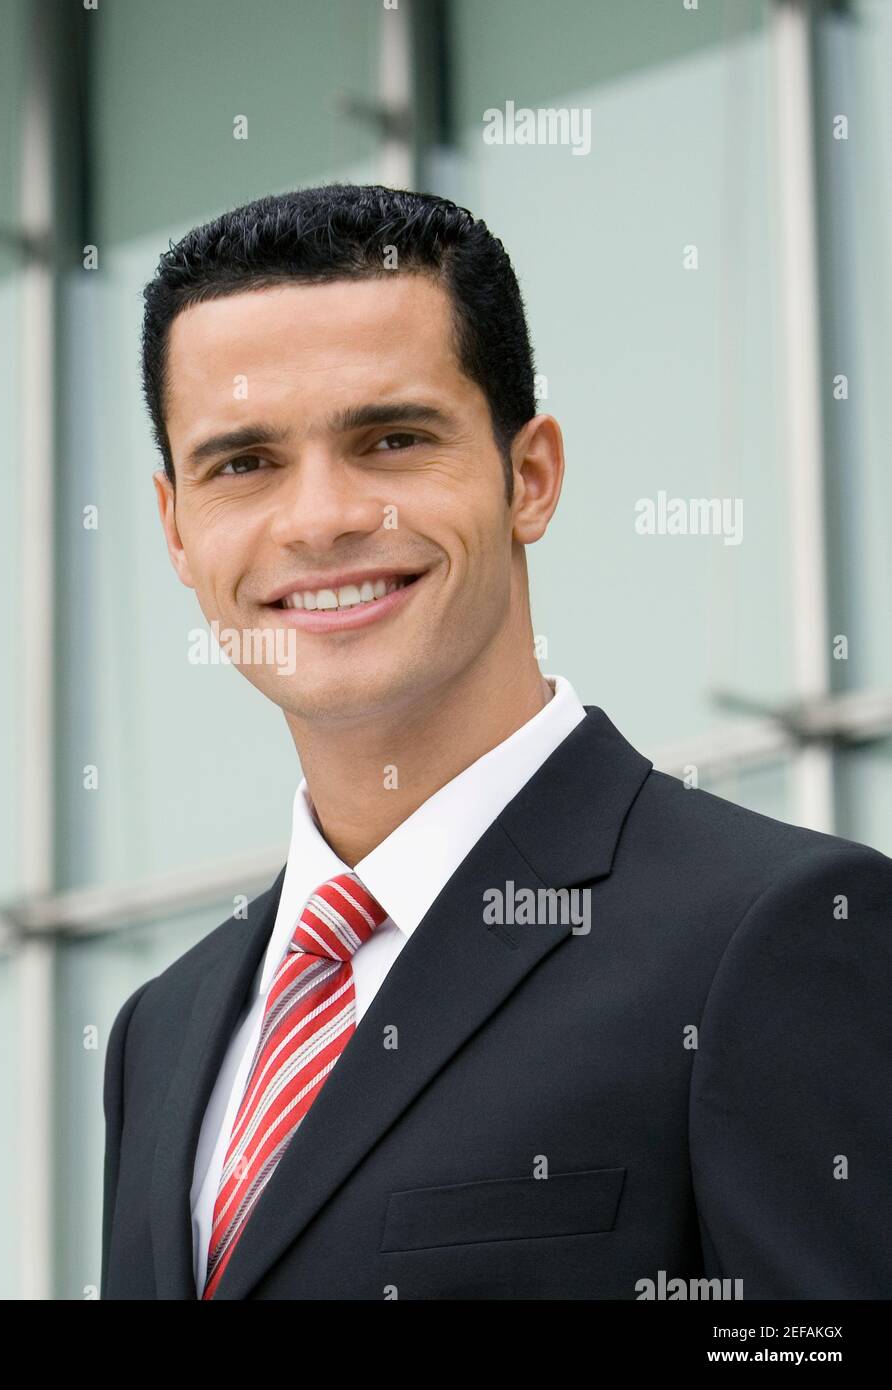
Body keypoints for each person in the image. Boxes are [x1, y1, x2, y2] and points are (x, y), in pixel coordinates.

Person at [99, 184, 892, 1300]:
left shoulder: (770, 939)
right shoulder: (162, 1035)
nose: (320, 517)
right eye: (244, 463)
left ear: (530, 477)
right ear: (177, 528)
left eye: (389, 439)